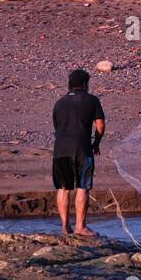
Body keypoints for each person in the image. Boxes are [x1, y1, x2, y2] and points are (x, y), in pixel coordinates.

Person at [52, 68, 106, 235]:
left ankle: (64, 227)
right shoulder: (92, 100)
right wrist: (96, 143)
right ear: (85, 84)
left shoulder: (59, 103)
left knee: (63, 188)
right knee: (83, 187)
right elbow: (100, 125)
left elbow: (57, 126)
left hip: (60, 150)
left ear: (69, 84)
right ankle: (80, 227)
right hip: (83, 149)